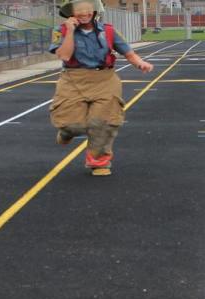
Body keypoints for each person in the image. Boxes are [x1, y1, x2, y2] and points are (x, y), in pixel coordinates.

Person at [49, 0, 154, 177]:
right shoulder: (61, 31)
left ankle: (98, 161)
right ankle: (66, 132)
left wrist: (140, 63)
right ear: (71, 13)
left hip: (104, 79)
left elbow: (127, 52)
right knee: (71, 124)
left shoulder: (109, 30)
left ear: (95, 11)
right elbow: (64, 55)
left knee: (103, 122)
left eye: (88, 10)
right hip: (73, 80)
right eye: (79, 10)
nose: (84, 14)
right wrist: (71, 31)